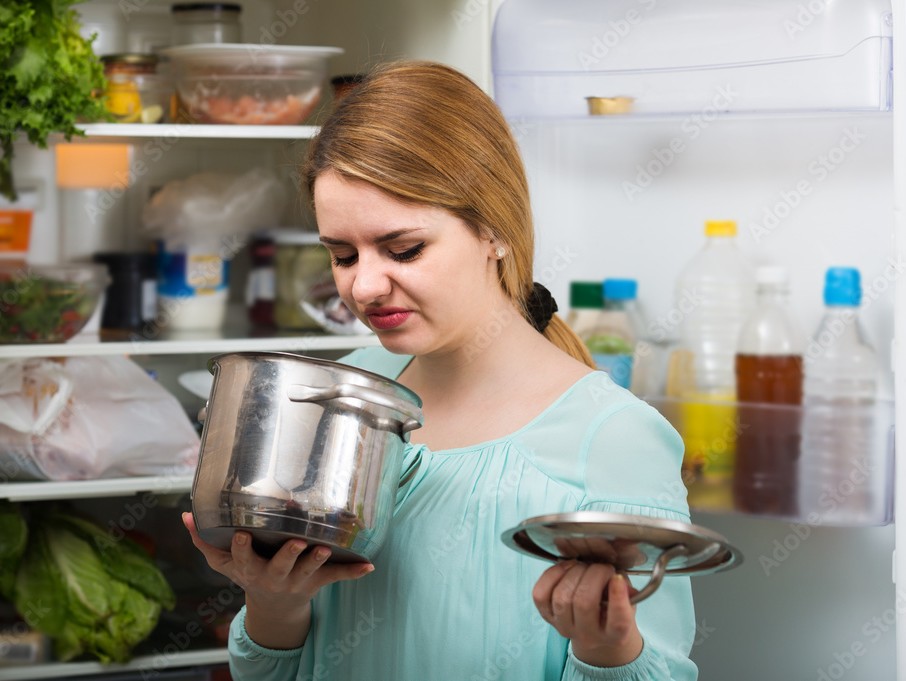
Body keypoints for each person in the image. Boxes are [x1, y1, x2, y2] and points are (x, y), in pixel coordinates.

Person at [183, 60, 698, 680]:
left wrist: (606, 651)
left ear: (494, 230)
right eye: (343, 255)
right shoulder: (346, 393)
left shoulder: (614, 439)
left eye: (404, 249)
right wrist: (274, 602)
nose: (365, 286)